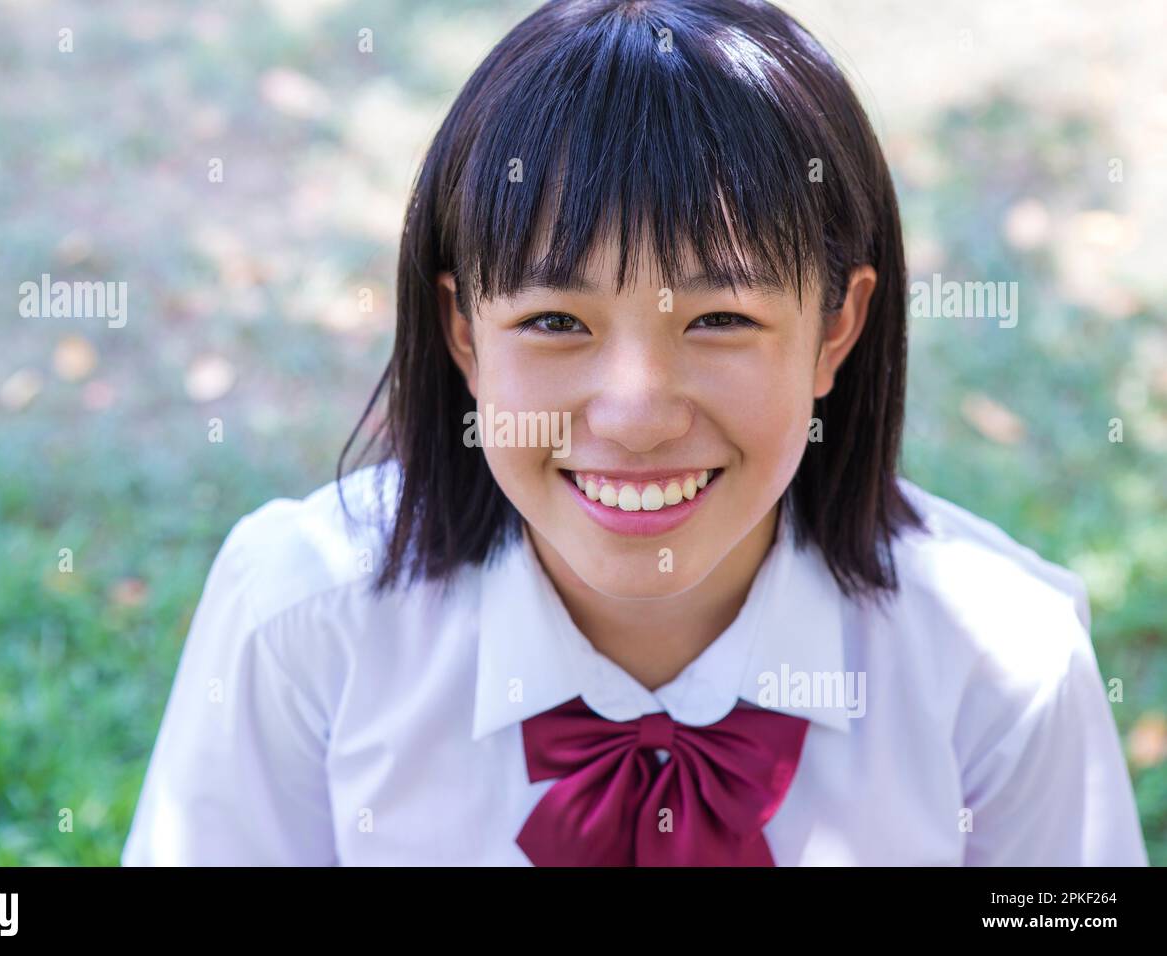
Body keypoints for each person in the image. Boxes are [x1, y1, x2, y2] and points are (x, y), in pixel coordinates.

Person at [122, 0, 1148, 866]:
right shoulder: (302, 620)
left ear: (835, 329)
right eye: (555, 322)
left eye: (720, 320)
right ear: (462, 334)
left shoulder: (1004, 670)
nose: (637, 413)